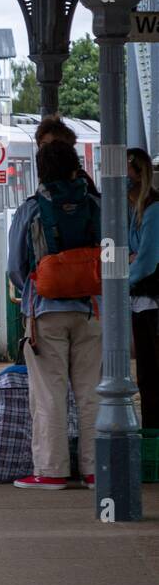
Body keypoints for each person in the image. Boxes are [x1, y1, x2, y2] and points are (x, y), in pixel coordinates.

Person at [7, 139, 102, 489]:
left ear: (41, 170)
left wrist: (36, 286)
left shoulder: (31, 209)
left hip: (44, 313)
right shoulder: (95, 204)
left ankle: (51, 471)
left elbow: (15, 267)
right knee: (92, 391)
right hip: (91, 310)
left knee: (49, 392)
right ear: (75, 166)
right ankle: (95, 471)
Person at [128, 147, 159, 427]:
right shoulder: (132, 211)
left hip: (151, 301)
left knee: (152, 375)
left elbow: (146, 259)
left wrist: (120, 281)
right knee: (146, 377)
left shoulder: (153, 210)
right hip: (140, 302)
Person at [35, 114, 100, 195]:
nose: (47, 151)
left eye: (53, 145)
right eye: (43, 145)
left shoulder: (83, 184)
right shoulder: (44, 182)